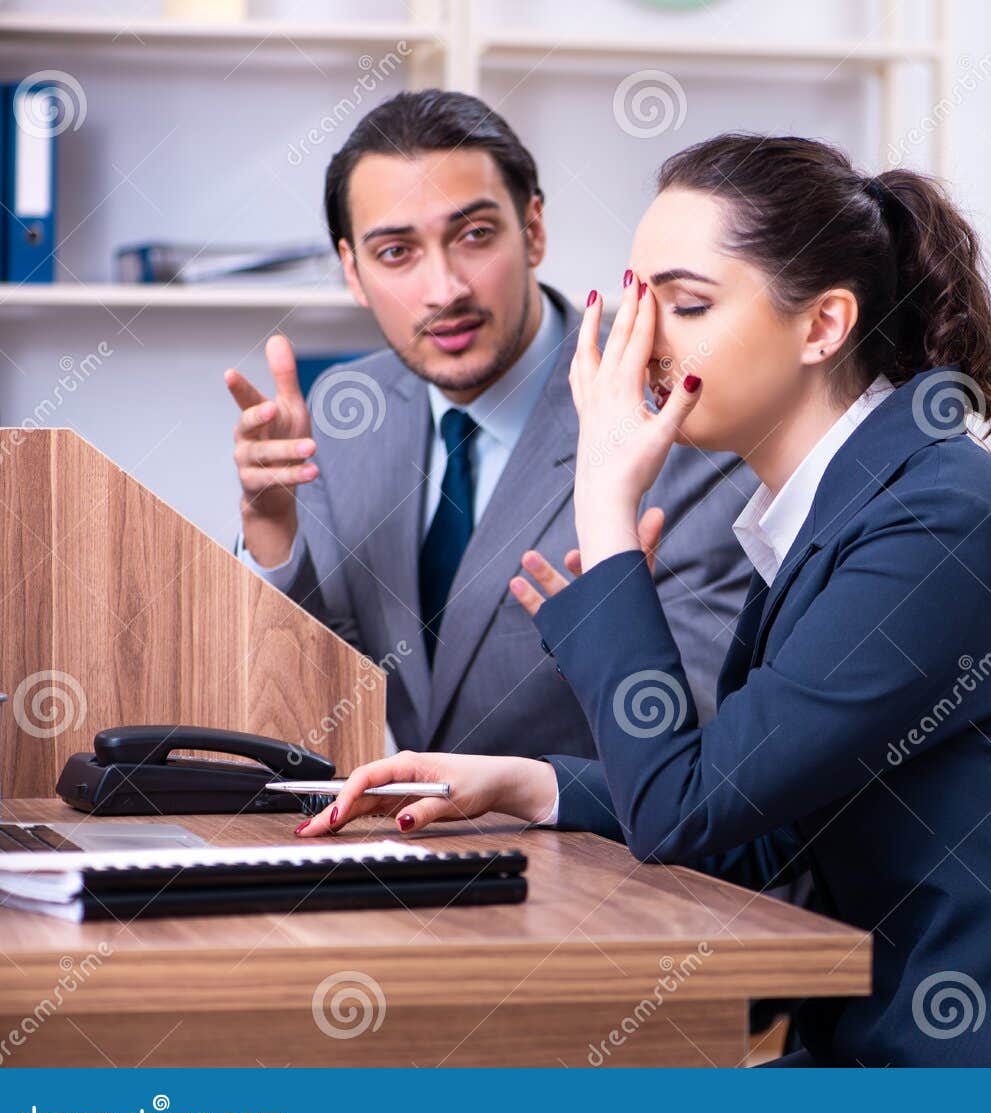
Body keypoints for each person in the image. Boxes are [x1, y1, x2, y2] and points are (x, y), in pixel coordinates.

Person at [298, 133, 991, 1067]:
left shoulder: (939, 525)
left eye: (687, 305)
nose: (642, 340)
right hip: (901, 1041)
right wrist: (516, 783)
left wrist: (608, 509)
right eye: (642, 300)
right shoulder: (836, 512)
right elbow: (745, 816)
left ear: (821, 327)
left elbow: (685, 811)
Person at [225, 91, 753, 766]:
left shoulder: (678, 414)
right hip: (409, 858)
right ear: (352, 271)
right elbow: (319, 684)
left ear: (533, 229)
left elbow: (708, 747)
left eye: (474, 236)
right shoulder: (345, 411)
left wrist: (610, 625)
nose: (444, 288)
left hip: (608, 862)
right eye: (395, 253)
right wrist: (271, 527)